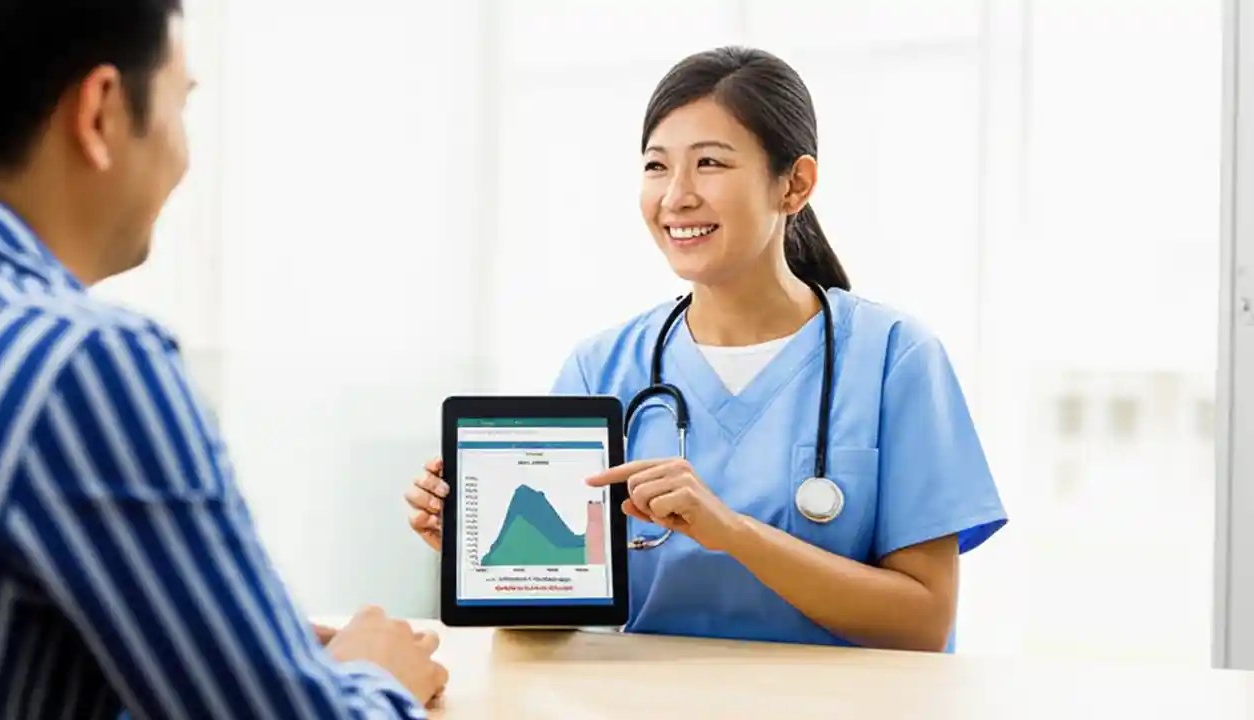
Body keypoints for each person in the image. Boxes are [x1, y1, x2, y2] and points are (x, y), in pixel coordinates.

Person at [406, 46, 1008, 652]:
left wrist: (733, 533)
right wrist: (485, 562)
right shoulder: (602, 367)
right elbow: (555, 624)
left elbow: (924, 622)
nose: (677, 196)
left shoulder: (894, 358)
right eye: (656, 167)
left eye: (711, 164)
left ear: (794, 184)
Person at [0, 1, 445, 717]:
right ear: (100, 112)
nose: (184, 157)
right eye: (179, 104)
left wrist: (238, 652)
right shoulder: (81, 363)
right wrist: (374, 677)